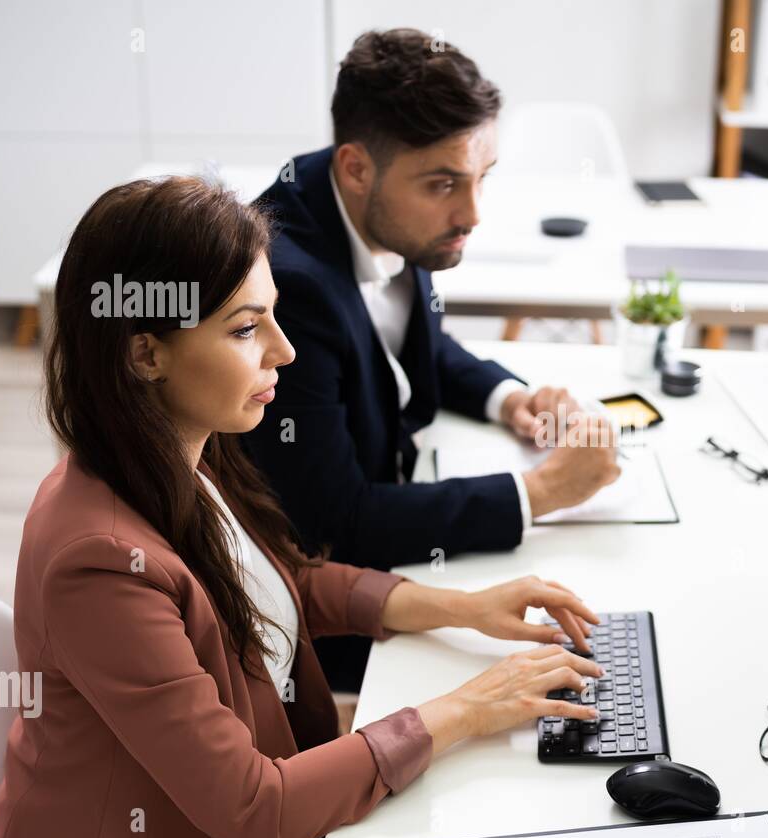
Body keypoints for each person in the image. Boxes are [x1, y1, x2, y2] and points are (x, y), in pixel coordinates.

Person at [0, 177, 601, 838]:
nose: (284, 350)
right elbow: (256, 806)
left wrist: (464, 607)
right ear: (146, 353)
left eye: (271, 317)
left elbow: (281, 583)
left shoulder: (175, 452)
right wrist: (468, 709)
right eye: (246, 328)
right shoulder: (98, 562)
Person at [244, 28, 620, 690]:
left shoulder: (382, 210)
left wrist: (510, 398)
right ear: (356, 167)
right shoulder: (289, 286)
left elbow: (413, 346)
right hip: (319, 624)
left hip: (399, 536)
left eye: (482, 179)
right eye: (445, 184)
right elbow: (338, 523)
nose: (472, 213)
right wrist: (541, 492)